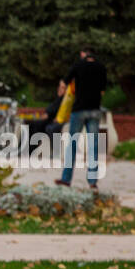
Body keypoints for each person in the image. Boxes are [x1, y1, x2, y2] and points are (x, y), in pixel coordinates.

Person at [55, 46, 108, 190]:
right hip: (95, 110)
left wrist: (61, 89)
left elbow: (64, 83)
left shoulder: (78, 66)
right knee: (93, 146)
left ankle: (66, 179)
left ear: (83, 54)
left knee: (72, 144)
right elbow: (102, 90)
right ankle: (92, 181)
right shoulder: (101, 67)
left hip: (79, 110)